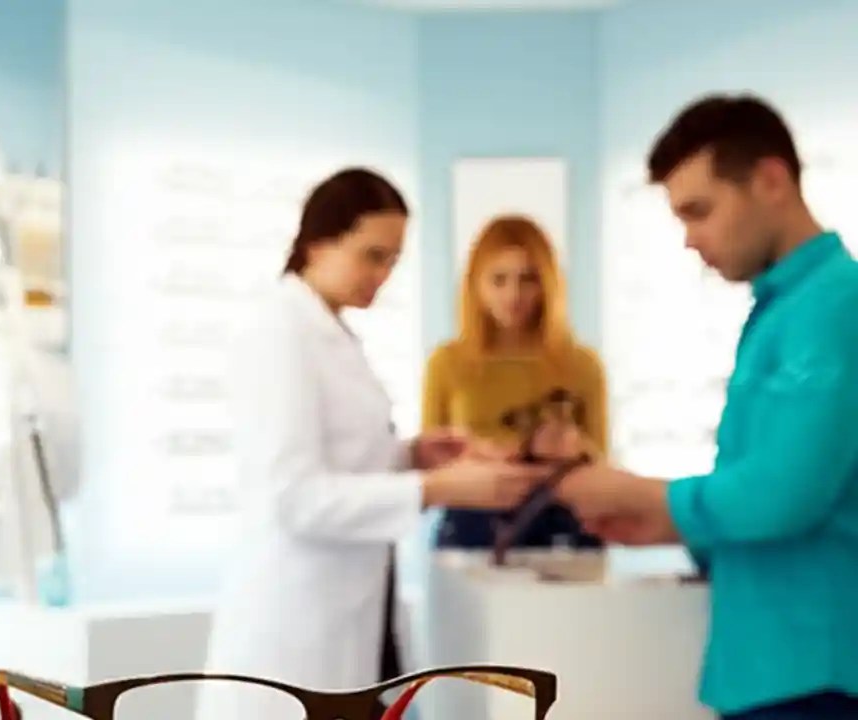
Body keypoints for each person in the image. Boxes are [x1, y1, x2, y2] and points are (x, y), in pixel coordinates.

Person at [195, 167, 547, 720]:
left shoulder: (329, 331)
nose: (382, 275)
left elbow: (339, 456)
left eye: (392, 261)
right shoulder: (278, 334)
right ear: (317, 242)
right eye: (371, 255)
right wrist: (431, 487)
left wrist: (411, 455)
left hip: (348, 611)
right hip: (293, 625)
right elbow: (293, 497)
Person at [556, 94, 858, 720]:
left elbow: (787, 493)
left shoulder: (837, 306)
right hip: (767, 667)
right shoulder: (780, 311)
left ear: (770, 180)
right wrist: (667, 524)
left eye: (700, 211)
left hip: (815, 671)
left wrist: (647, 498)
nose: (691, 240)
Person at [423, 214, 607, 551]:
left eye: (528, 279)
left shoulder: (582, 364)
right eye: (498, 280)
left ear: (548, 284)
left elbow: (603, 464)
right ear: (475, 285)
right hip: (471, 526)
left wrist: (574, 448)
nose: (514, 294)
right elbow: (430, 468)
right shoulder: (447, 363)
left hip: (563, 526)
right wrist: (481, 456)